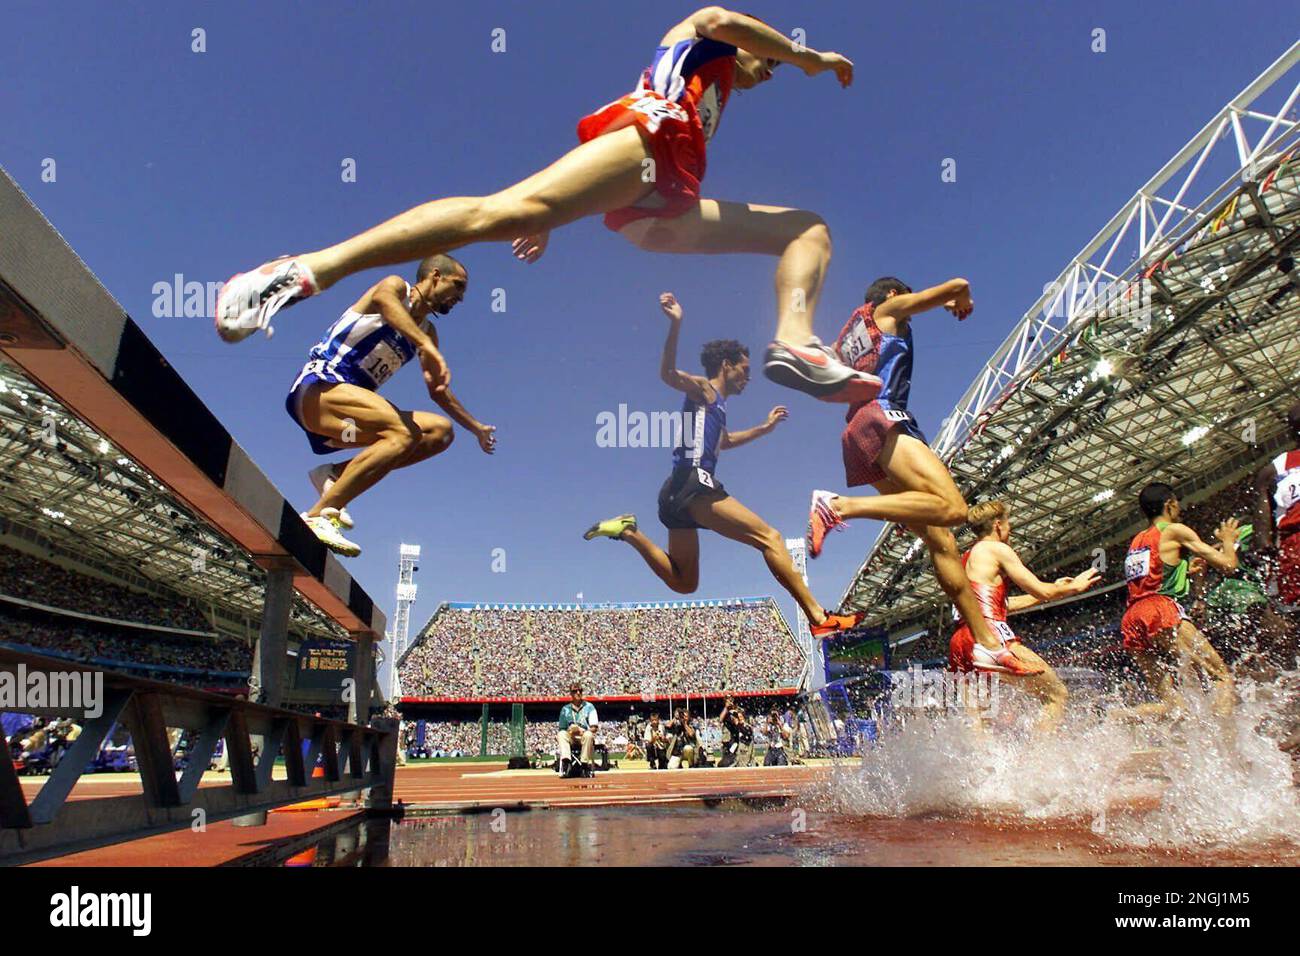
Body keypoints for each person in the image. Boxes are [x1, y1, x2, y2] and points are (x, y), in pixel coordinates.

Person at [214, 9, 876, 404]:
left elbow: (592, 173)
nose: (770, 72)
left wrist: (561, 215)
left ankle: (794, 341)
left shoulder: (718, 92)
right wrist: (804, 54)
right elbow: (716, 18)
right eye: (767, 62)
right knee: (499, 213)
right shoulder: (701, 43)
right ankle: (307, 269)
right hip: (648, 141)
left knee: (806, 231)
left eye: (777, 69)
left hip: (664, 199)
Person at [584, 293, 860, 638]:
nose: (748, 378)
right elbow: (668, 373)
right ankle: (818, 617)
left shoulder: (715, 409)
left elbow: (724, 441)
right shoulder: (705, 389)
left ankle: (628, 531)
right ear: (726, 365)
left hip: (674, 494)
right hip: (692, 483)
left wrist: (765, 427)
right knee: (770, 538)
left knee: (685, 583)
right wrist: (676, 323)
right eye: (744, 370)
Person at [804, 276, 1042, 676]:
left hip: (856, 436)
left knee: (941, 540)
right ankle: (839, 506)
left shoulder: (847, 339)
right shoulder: (884, 310)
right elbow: (958, 285)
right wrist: (960, 300)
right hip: (883, 418)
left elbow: (822, 369)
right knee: (954, 508)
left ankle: (986, 644)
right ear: (895, 295)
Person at [284, 254, 497, 555]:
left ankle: (334, 475)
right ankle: (320, 514)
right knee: (402, 431)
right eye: (458, 286)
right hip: (319, 389)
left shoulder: (428, 332)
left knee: (439, 432)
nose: (460, 297)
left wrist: (475, 428)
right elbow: (385, 302)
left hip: (350, 417)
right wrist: (423, 345)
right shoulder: (396, 288)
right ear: (435, 276)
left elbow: (438, 391)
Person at [947, 501, 1101, 732]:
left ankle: (981, 766)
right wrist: (1074, 587)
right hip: (990, 636)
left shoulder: (967, 558)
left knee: (979, 722)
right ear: (998, 525)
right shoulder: (998, 549)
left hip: (960, 642)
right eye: (1009, 525)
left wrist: (1051, 590)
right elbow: (1042, 590)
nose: (1011, 531)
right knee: (1056, 695)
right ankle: (1036, 762)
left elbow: (1000, 603)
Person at [1115, 483, 1239, 721]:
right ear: (1169, 505)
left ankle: (1116, 716)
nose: (1180, 510)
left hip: (1132, 619)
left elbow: (1150, 577)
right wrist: (1228, 540)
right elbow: (1228, 565)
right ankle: (1225, 748)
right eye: (1177, 504)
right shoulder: (1174, 531)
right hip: (1159, 611)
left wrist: (1183, 569)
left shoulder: (1137, 540)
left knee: (1174, 705)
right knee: (1221, 677)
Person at [557, 683, 599, 775]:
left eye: (580, 690)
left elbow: (594, 728)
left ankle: (584, 764)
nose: (578, 693)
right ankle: (566, 762)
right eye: (575, 691)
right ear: (571, 693)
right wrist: (571, 730)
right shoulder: (565, 709)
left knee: (589, 735)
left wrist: (583, 730)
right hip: (571, 737)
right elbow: (562, 728)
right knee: (561, 734)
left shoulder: (589, 707)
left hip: (584, 735)